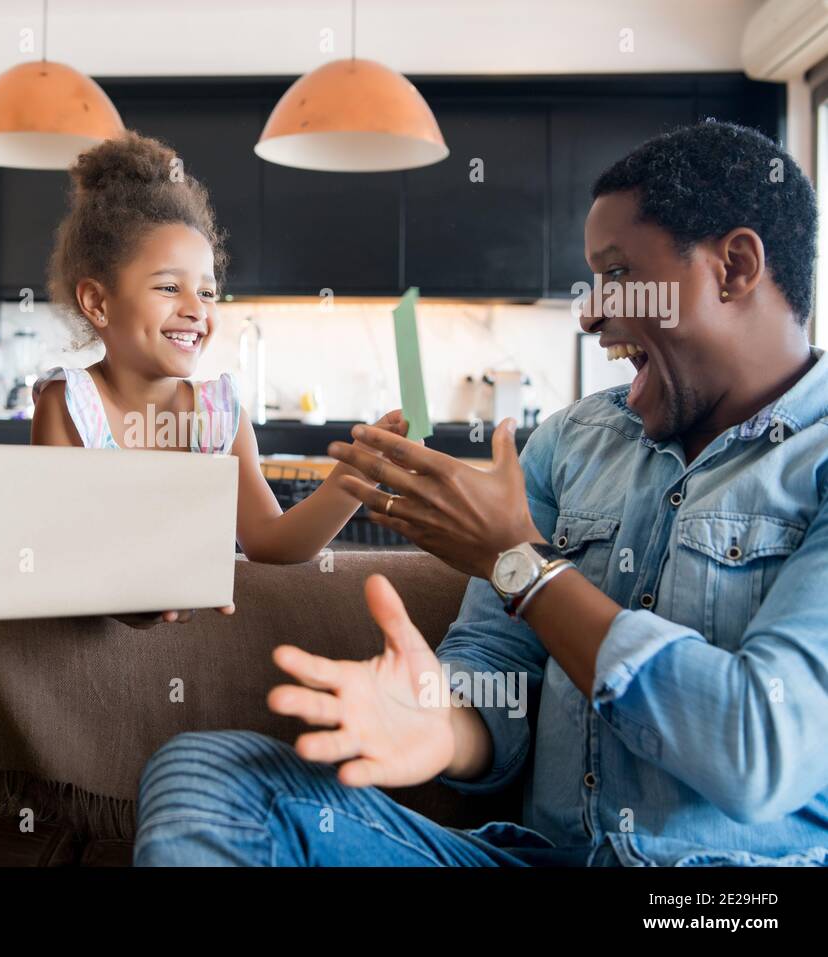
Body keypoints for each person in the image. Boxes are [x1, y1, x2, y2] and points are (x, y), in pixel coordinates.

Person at [134, 121, 828, 867]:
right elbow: (499, 668)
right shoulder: (571, 442)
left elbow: (760, 750)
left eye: (618, 273)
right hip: (534, 857)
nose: (591, 312)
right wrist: (443, 721)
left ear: (734, 267)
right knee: (206, 775)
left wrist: (524, 567)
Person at [31, 131, 406, 608]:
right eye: (169, 288)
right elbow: (60, 551)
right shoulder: (68, 404)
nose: (195, 309)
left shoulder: (219, 418)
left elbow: (271, 543)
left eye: (207, 292)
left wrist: (356, 473)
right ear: (97, 302)